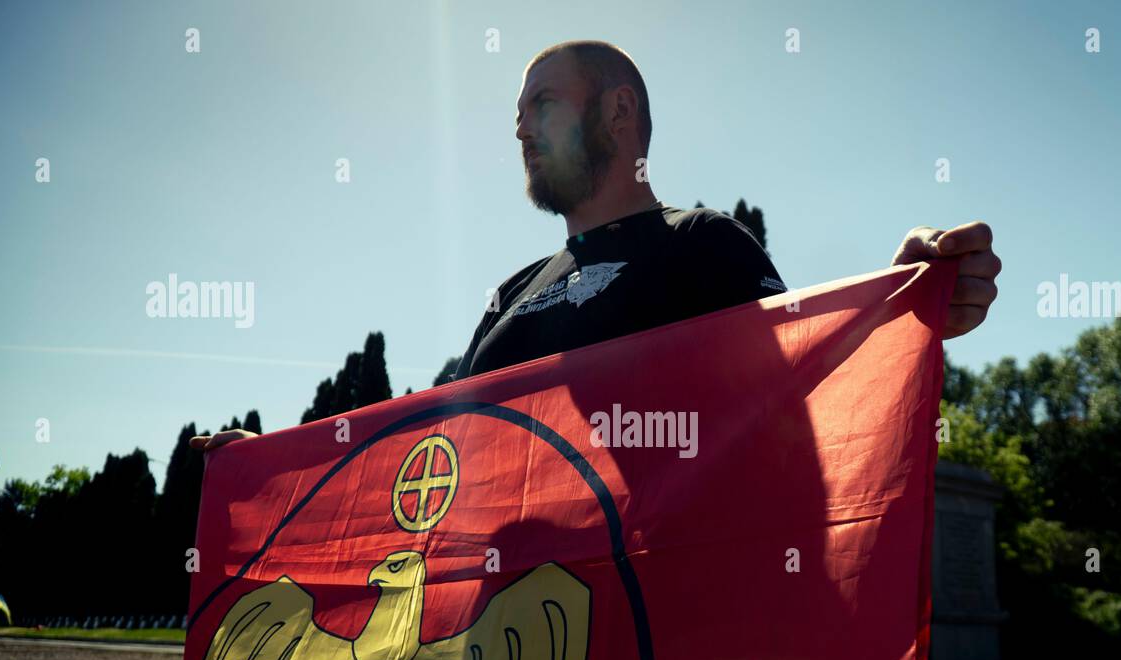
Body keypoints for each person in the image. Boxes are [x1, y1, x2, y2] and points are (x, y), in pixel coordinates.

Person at [192, 39, 1001, 452]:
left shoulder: (704, 245)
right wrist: (283, 469)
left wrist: (901, 312)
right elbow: (437, 445)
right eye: (517, 113)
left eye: (541, 104)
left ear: (617, 113)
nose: (518, 127)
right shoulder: (510, 293)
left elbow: (795, 402)